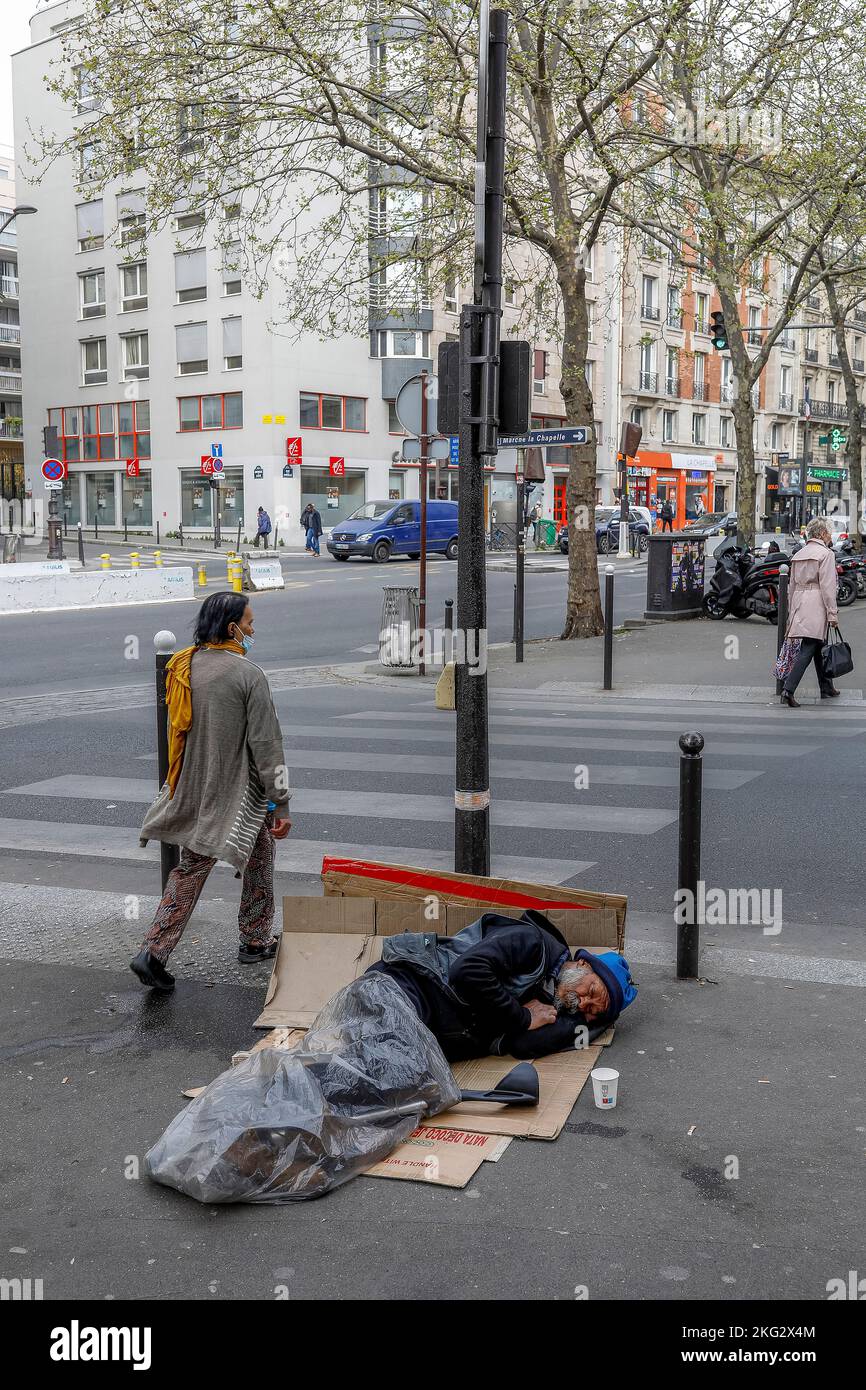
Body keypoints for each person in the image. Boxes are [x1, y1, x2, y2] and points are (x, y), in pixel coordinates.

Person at [131, 593, 291, 991]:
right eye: (249, 623)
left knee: (259, 854)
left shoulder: (185, 666)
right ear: (232, 627)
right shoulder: (248, 675)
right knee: (193, 869)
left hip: (194, 785)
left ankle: (256, 938)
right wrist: (282, 801)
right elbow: (268, 745)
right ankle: (153, 952)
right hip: (233, 798)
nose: (253, 630)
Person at [366, 908, 637, 1061]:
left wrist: (591, 1024)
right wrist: (522, 1016)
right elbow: (467, 972)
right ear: (583, 964)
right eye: (591, 991)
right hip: (405, 989)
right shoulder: (532, 942)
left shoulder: (550, 1004)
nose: (582, 1003)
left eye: (592, 1010)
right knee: (380, 1069)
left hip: (428, 1035)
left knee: (394, 1082)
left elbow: (522, 1045)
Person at [780, 517, 841, 708]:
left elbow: (791, 587)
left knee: (817, 644)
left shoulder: (799, 554)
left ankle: (826, 686)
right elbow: (828, 587)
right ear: (822, 534)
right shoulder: (825, 554)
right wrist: (833, 614)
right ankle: (788, 690)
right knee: (809, 647)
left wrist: (791, 611)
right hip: (817, 604)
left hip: (800, 603)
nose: (830, 537)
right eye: (829, 533)